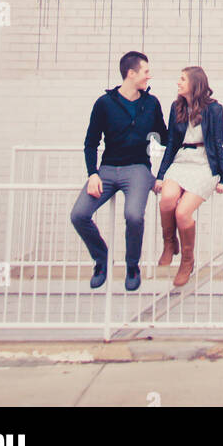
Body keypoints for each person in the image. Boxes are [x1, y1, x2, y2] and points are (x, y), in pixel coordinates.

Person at [70, 51, 168, 292]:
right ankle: (101, 258)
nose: (149, 76)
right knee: (79, 215)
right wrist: (92, 173)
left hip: (138, 169)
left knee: (134, 215)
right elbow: (91, 142)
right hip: (107, 169)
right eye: (145, 71)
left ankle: (132, 265)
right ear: (131, 73)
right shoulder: (104, 104)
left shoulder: (151, 103)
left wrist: (161, 172)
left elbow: (164, 138)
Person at [153, 67, 223, 287]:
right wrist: (160, 176)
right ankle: (169, 243)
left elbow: (217, 143)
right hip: (181, 159)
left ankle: (187, 261)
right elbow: (171, 144)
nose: (178, 82)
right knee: (167, 199)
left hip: (204, 163)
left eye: (183, 79)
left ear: (195, 83)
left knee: (182, 212)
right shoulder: (176, 107)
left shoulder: (214, 109)